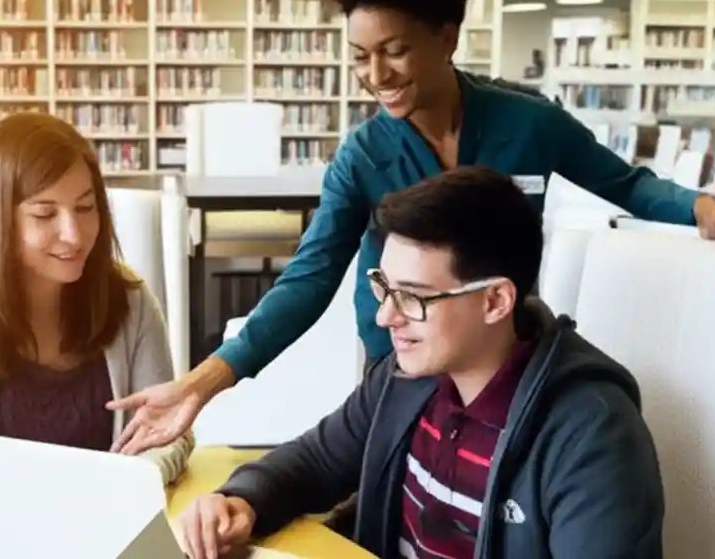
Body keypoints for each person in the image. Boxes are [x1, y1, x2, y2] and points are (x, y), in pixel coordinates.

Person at [109, 0, 715, 455]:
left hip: (499, 367)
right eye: (360, 56)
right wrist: (202, 384)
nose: (375, 74)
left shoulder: (528, 124)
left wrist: (696, 207)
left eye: (392, 50)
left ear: (446, 36)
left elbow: (624, 182)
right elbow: (306, 282)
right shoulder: (363, 156)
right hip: (400, 371)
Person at [178, 168, 664, 559]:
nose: (387, 316)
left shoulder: (591, 435)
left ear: (495, 301)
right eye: (383, 287)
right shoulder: (409, 377)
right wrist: (239, 501)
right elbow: (317, 461)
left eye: (412, 297)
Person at [0, 111, 194, 532]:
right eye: (44, 215)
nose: (73, 234)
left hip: (108, 537)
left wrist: (130, 485)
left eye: (85, 208)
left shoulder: (130, 302)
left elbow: (171, 433)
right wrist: (40, 529)